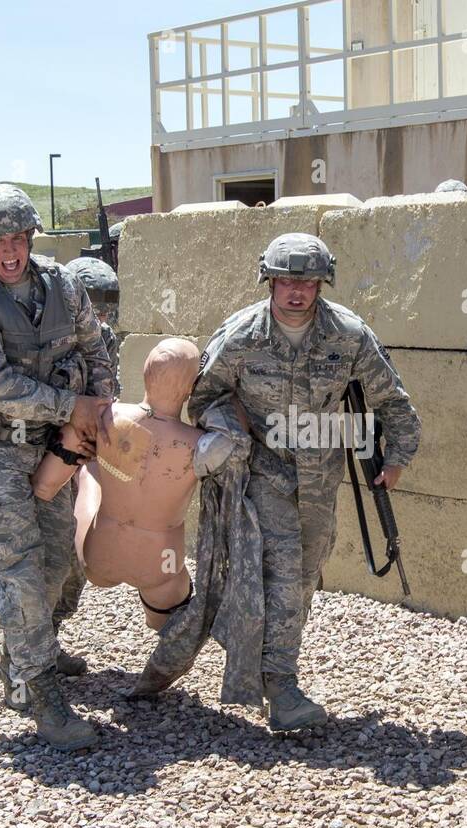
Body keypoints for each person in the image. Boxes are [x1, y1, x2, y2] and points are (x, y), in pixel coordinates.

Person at [133, 233, 422, 731]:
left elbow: (392, 399)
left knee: (304, 577)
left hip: (319, 481)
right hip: (261, 475)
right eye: (286, 280)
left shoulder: (348, 334)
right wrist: (230, 435)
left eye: (308, 281)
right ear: (269, 280)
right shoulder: (241, 335)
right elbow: (205, 398)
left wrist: (397, 456)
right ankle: (280, 688)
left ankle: (201, 665)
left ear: (321, 284)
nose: (296, 291)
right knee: (281, 576)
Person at [0, 183, 115, 751]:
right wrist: (71, 407)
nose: (9, 250)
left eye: (17, 237)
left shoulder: (61, 284)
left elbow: (95, 350)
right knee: (22, 566)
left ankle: (17, 649)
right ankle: (39, 690)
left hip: (49, 443)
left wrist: (97, 412)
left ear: (30, 238)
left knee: (62, 560)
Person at [32, 339, 202, 634]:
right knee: (171, 623)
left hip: (100, 555)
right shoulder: (201, 444)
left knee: (90, 471)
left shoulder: (102, 417)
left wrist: (90, 466)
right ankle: (164, 653)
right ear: (191, 388)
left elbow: (45, 487)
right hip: (160, 564)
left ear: (145, 372)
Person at [48, 256, 123, 636]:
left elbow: (110, 397)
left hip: (82, 461)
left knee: (78, 558)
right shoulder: (46, 340)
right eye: (94, 303)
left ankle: (49, 640)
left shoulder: (105, 340)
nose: (102, 315)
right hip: (42, 460)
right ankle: (25, 651)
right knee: (47, 560)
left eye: (108, 303)